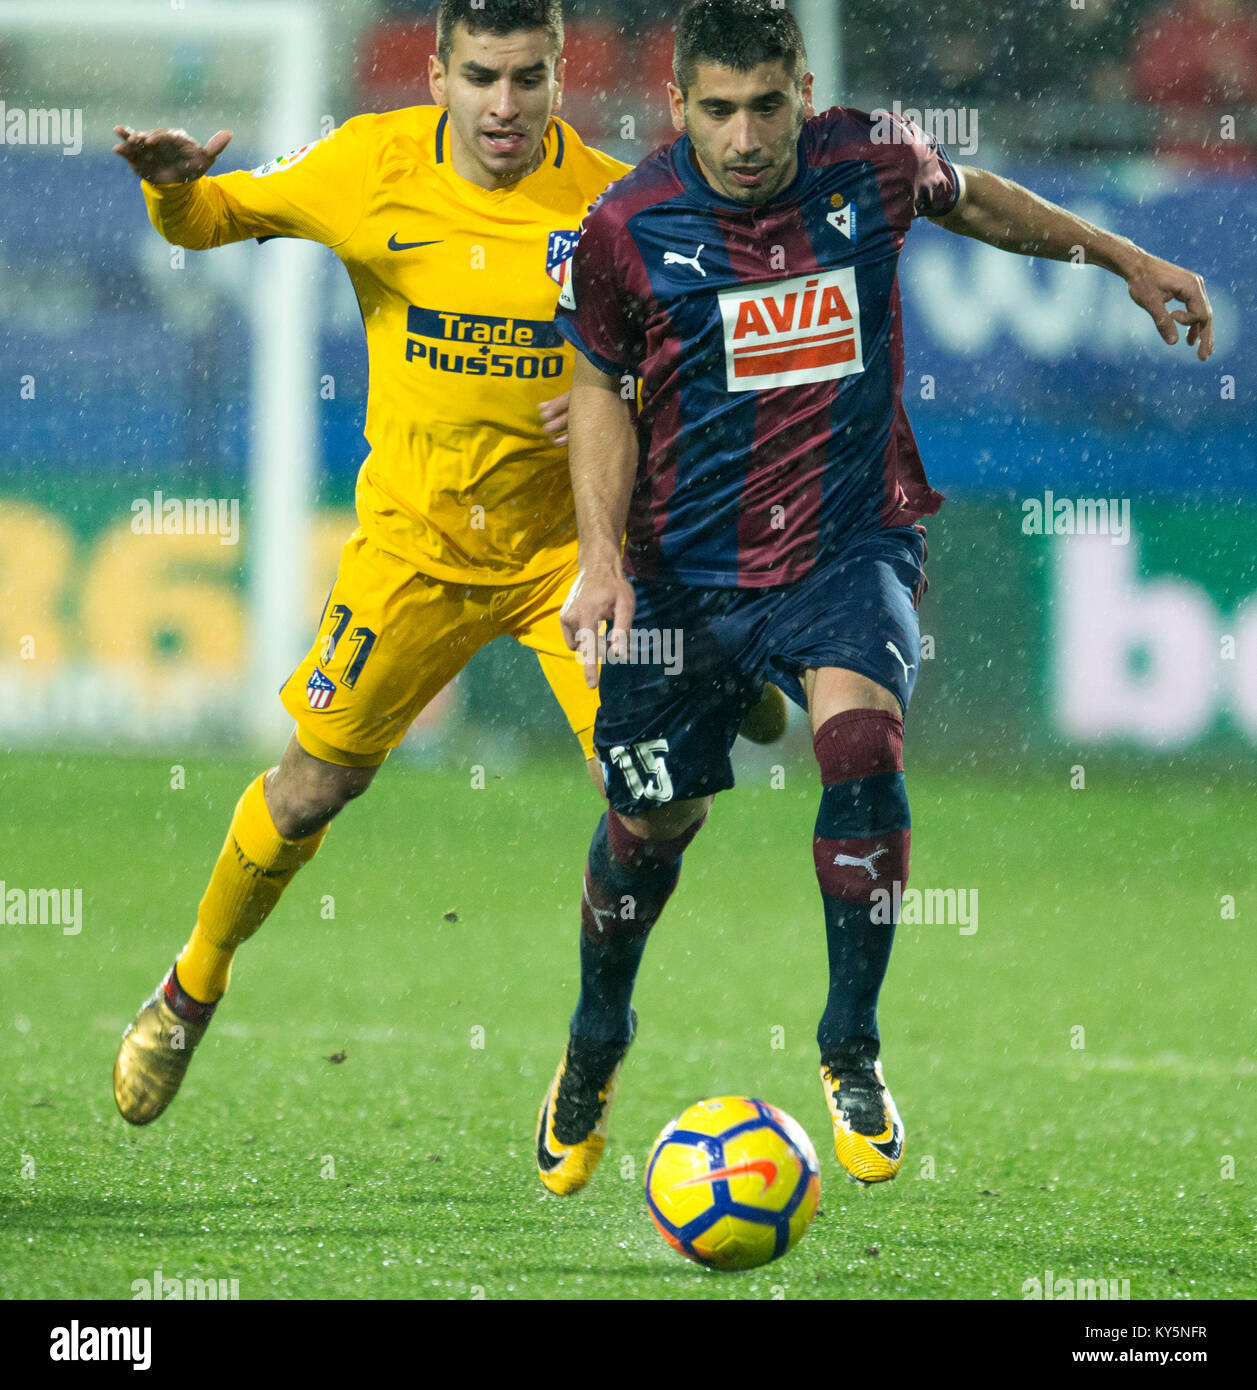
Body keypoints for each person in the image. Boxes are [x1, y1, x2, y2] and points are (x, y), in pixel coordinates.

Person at [535, 0, 1213, 1195]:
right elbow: (596, 385)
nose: (746, 137)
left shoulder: (867, 161)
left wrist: (1122, 257)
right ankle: (595, 1042)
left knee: (861, 744)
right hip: (683, 575)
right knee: (653, 823)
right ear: (678, 104)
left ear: (802, 85)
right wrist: (598, 559)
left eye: (767, 104)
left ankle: (850, 1045)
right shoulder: (628, 226)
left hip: (850, 545)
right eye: (718, 110)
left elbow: (979, 198)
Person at [110, 0, 633, 1127]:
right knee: (311, 788)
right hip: (416, 553)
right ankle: (191, 985)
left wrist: (621, 394)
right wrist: (168, 184)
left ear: (560, 77)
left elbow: (700, 355)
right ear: (437, 72)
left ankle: (594, 1040)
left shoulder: (616, 203)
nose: (507, 106)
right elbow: (208, 220)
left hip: (566, 559)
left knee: (645, 798)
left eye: (531, 78)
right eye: (483, 77)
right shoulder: (366, 164)